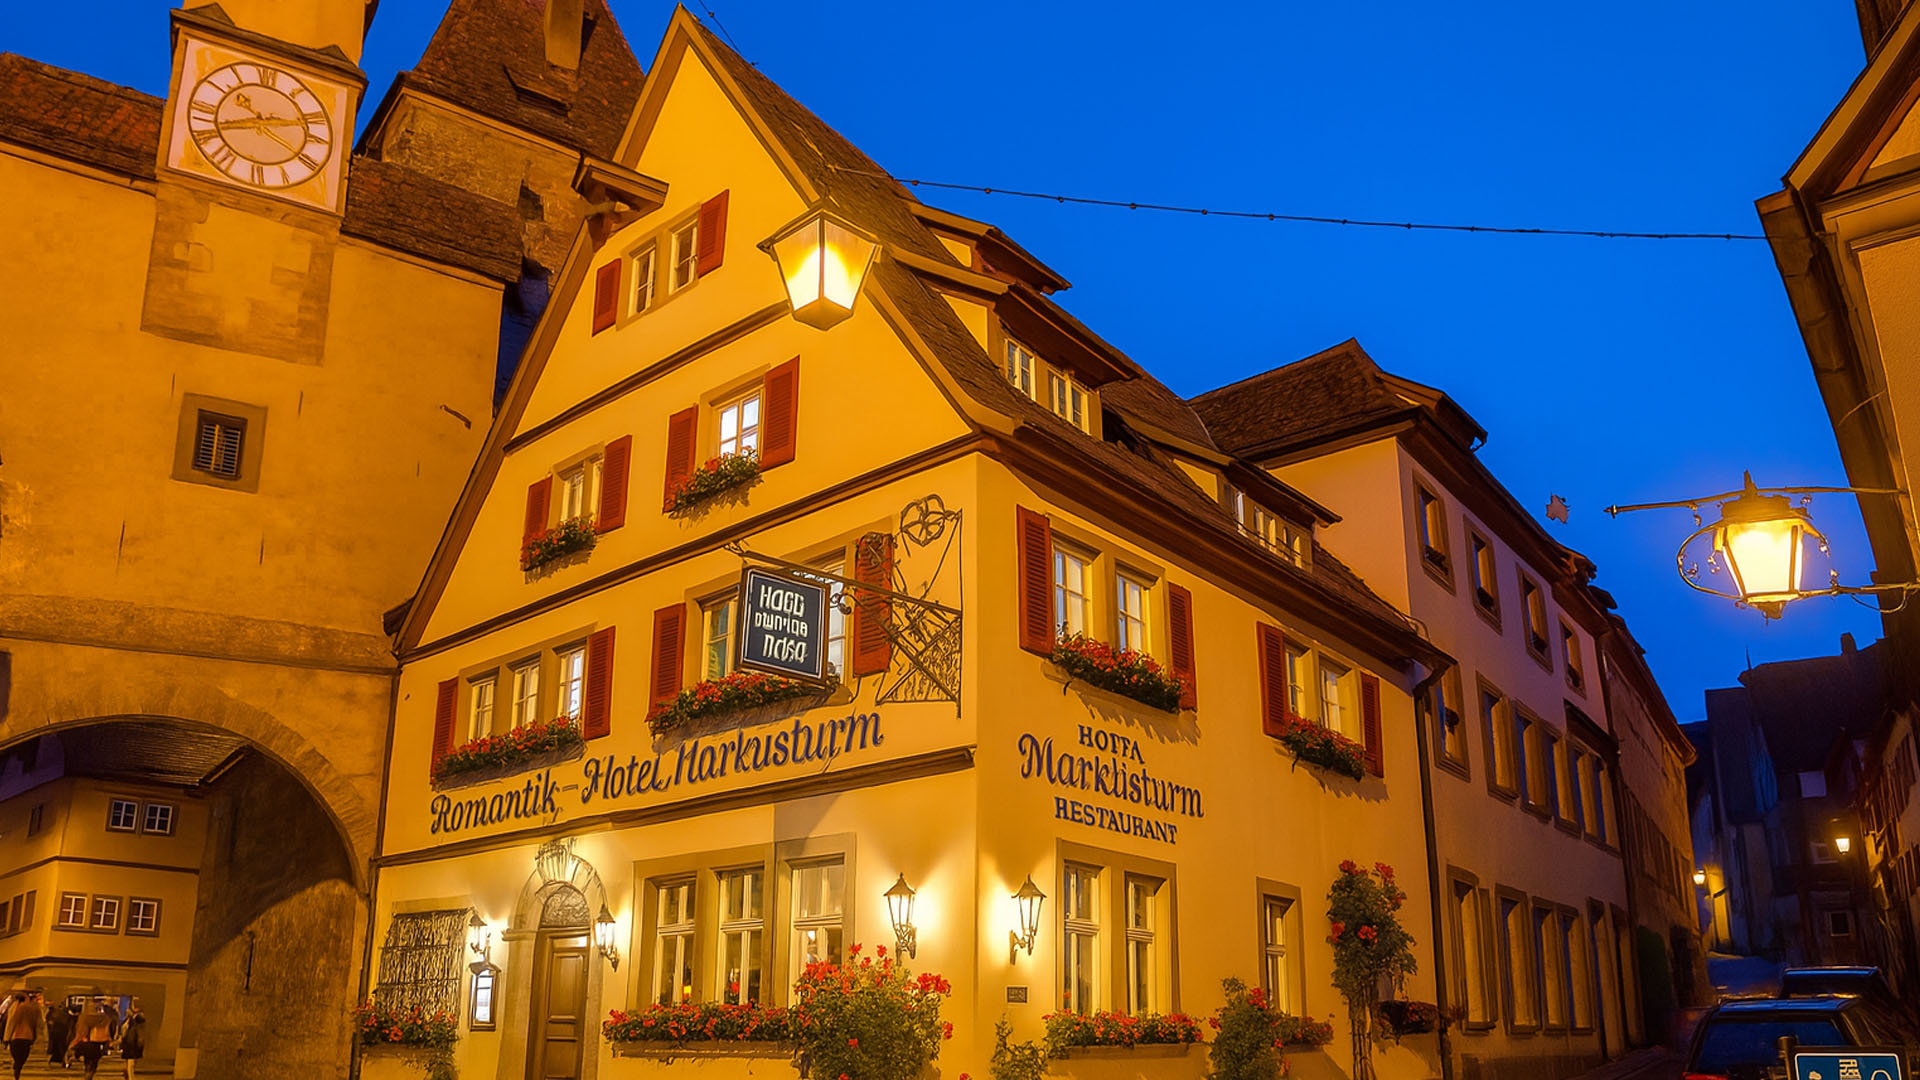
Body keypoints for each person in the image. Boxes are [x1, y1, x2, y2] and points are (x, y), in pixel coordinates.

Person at [2, 984, 41, 1080]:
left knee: (17, 1057)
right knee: (22, 1057)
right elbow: (38, 1024)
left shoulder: (14, 1009)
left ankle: (17, 1068)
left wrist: (6, 1039)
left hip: (15, 1037)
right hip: (28, 1037)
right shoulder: (33, 1008)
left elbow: (10, 1024)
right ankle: (18, 1068)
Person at [67, 1000, 112, 1080]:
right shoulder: (104, 1019)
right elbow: (107, 1032)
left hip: (87, 1043)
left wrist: (73, 1044)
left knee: (88, 1061)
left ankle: (88, 1073)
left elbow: (80, 1033)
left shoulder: (84, 1018)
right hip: (98, 1044)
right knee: (94, 1062)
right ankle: (90, 1073)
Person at [113, 999, 143, 1080]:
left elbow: (139, 1023)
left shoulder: (139, 1017)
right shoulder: (129, 1018)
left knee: (131, 1063)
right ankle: (129, 1076)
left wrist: (132, 1015)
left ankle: (130, 1077)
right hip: (129, 1043)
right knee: (129, 1063)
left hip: (133, 1043)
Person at [48, 998, 75, 1067]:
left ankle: (61, 1060)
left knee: (59, 1048)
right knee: (62, 1048)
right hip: (63, 1033)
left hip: (57, 1033)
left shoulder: (54, 1014)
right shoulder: (65, 1014)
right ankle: (64, 1061)